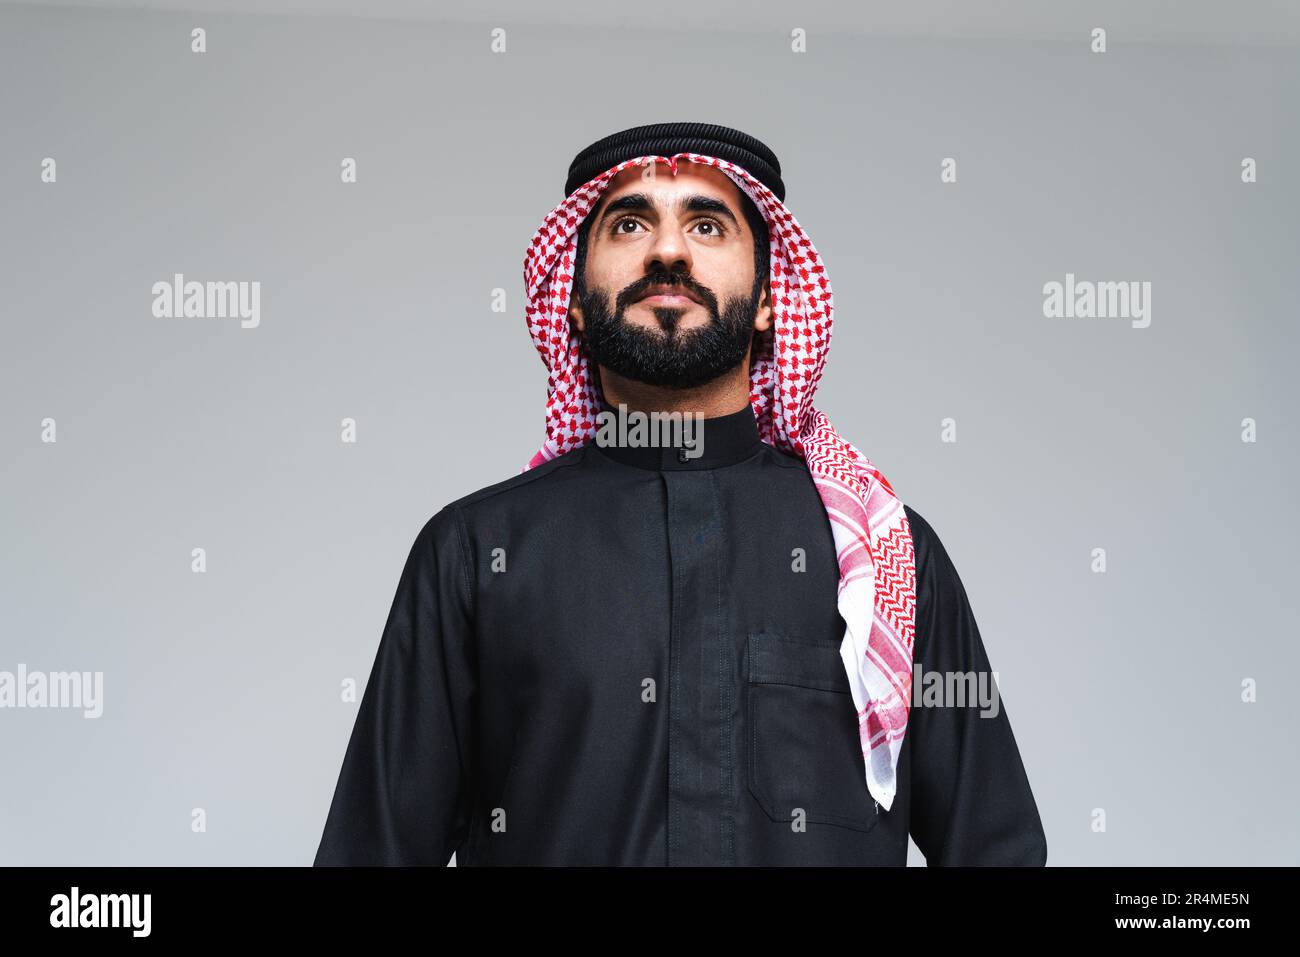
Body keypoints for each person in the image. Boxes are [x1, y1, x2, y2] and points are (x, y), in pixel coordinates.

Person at [313, 122, 1048, 866]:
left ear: (769, 300)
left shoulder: (886, 554)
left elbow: (999, 851)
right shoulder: (475, 554)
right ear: (572, 300)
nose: (667, 250)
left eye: (706, 222)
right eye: (629, 223)